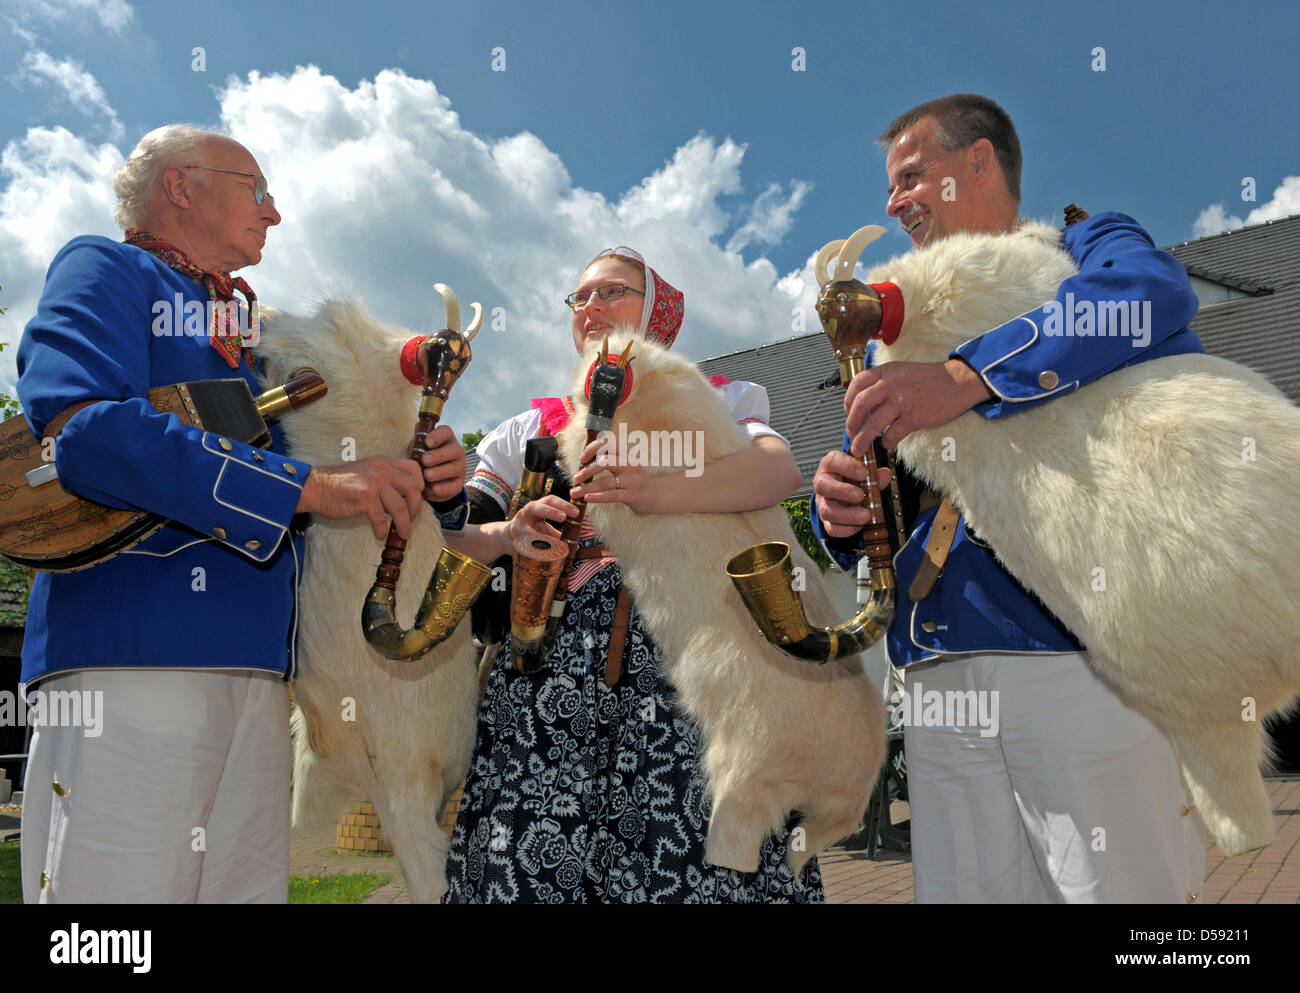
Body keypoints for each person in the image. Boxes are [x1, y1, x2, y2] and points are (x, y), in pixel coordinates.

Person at [16, 124, 464, 903]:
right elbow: (86, 430)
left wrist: (433, 476)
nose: (276, 213)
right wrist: (315, 486)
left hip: (259, 673)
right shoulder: (107, 268)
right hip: (134, 656)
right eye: (256, 189)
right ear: (181, 185)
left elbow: (317, 470)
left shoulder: (249, 330)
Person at [810, 94, 1207, 903]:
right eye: (890, 186)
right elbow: (897, 511)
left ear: (980, 162)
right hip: (936, 672)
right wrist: (843, 511)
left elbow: (1150, 293)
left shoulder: (1083, 241)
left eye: (912, 175)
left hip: (1077, 653)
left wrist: (963, 376)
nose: (893, 203)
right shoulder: (902, 331)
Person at [433, 247, 817, 902]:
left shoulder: (722, 400)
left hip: (688, 654)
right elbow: (459, 537)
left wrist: (649, 492)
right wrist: (496, 527)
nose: (591, 306)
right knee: (532, 855)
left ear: (660, 313)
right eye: (580, 297)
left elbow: (776, 474)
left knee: (690, 850)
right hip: (545, 669)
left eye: (612, 291)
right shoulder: (528, 428)